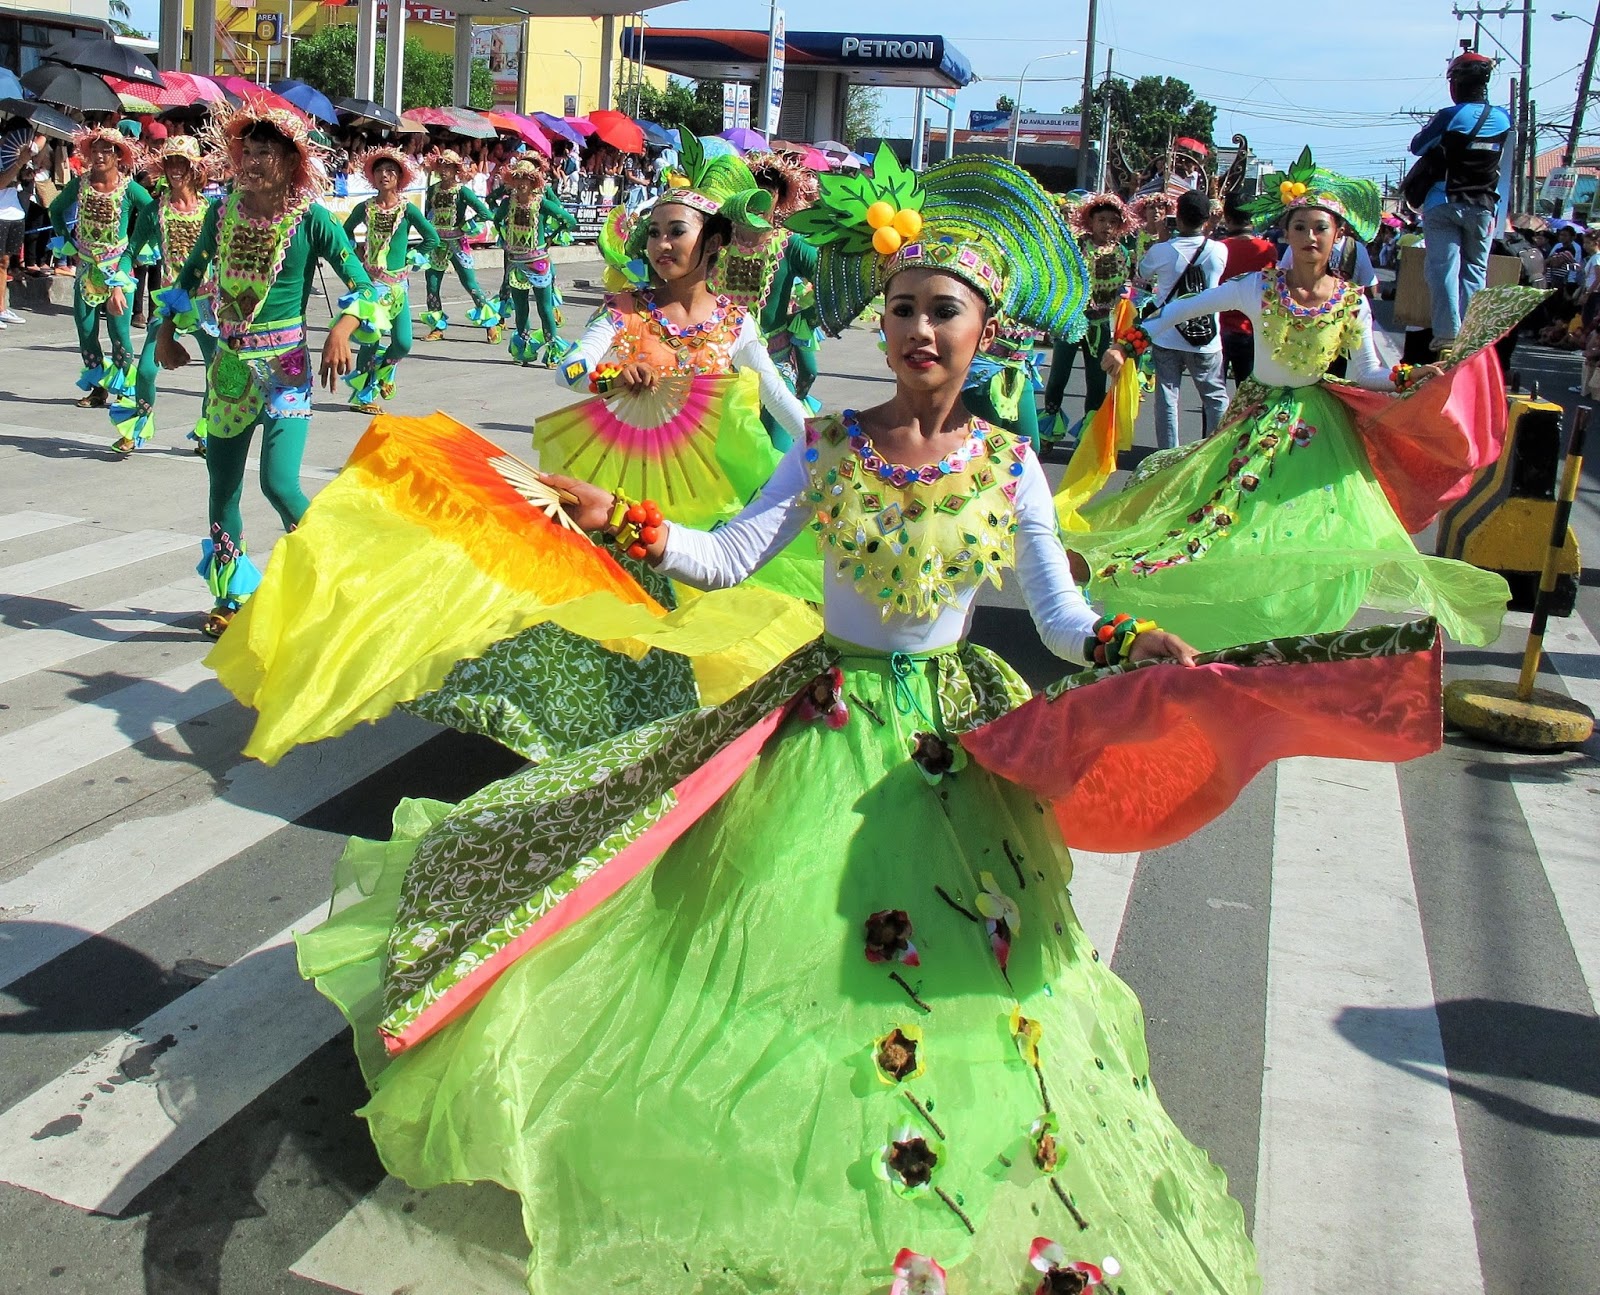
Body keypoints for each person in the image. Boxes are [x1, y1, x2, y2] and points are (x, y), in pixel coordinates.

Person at [250, 148, 1313, 1295]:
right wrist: (626, 521)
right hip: (819, 719)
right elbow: (729, 557)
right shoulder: (827, 444)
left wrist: (1125, 641)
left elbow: (1057, 616)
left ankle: (919, 1171)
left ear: (984, 332)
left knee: (959, 967)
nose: (918, 330)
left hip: (947, 747)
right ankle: (773, 1149)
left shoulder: (1010, 466)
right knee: (768, 945)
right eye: (902, 309)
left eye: (942, 312)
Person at [1081, 147, 1532, 652]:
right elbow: (1182, 308)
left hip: (1318, 429)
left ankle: (1287, 627)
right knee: (1224, 520)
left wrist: (1408, 377)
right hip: (1255, 420)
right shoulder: (1258, 287)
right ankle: (1220, 620)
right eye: (1300, 227)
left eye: (1321, 228)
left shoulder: (1351, 301)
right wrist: (1127, 346)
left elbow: (1367, 372)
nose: (1310, 237)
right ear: (1287, 233)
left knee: (1305, 532)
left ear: (1338, 236)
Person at [152, 105, 391, 638]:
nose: (254, 162)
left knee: (279, 483)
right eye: (250, 152)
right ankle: (230, 595)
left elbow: (366, 286)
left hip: (286, 370)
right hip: (228, 370)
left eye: (266, 153)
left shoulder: (311, 220)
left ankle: (332, 576)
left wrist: (342, 328)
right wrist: (166, 331)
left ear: (290, 162)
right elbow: (188, 277)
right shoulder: (221, 214)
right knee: (223, 488)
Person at [535, 135, 810, 530]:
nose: (661, 245)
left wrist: (830, 451)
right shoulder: (624, 309)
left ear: (713, 242)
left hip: (708, 493)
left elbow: (778, 397)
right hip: (630, 486)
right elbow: (569, 370)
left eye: (676, 232)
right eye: (653, 233)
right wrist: (612, 379)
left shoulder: (734, 323)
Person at [711, 149, 822, 448]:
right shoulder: (716, 239)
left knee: (782, 447)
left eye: (769, 190)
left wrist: (805, 319)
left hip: (774, 361)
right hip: (718, 360)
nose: (760, 196)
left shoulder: (791, 244)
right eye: (754, 187)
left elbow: (830, 283)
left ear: (779, 197)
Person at [1408, 49, 1512, 351]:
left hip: (1443, 201)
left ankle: (1447, 334)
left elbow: (1418, 146)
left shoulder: (1450, 116)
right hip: (1484, 206)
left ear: (1455, 83)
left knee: (1443, 268)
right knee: (1476, 270)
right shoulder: (1503, 117)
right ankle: (1472, 336)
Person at [122, 133, 217, 455]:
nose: (176, 168)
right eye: (171, 162)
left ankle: (207, 433)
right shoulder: (154, 210)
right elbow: (131, 250)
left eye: (182, 162)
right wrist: (119, 281)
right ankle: (138, 425)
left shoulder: (212, 210)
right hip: (169, 303)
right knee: (147, 370)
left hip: (206, 303)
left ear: (195, 168)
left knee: (215, 371)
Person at [47, 127, 151, 414]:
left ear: (118, 155)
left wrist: (139, 247)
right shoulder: (80, 184)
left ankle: (126, 390)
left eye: (107, 150)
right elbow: (55, 210)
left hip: (118, 270)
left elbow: (154, 212)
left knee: (119, 333)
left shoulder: (129, 189)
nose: (100, 156)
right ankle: (98, 387)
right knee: (86, 329)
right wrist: (66, 242)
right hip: (87, 270)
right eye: (95, 150)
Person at [343, 146, 440, 414]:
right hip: (371, 284)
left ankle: (384, 370)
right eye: (379, 171)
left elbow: (432, 238)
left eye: (390, 171)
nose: (384, 175)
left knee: (403, 342)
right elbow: (344, 233)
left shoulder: (408, 210)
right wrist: (356, 250)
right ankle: (362, 396)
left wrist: (412, 257)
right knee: (370, 339)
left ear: (399, 178)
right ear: (373, 177)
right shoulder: (365, 207)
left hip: (398, 286)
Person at [1040, 191, 1135, 442]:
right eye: (1101, 220)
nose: (1106, 226)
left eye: (1112, 221)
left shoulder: (1123, 253)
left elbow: (1129, 286)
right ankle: (1048, 429)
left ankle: (1088, 435)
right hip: (1072, 322)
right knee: (1058, 377)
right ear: (1091, 221)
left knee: (1096, 381)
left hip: (1100, 325)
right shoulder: (1076, 247)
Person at [1137, 187, 1228, 448]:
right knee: (1214, 396)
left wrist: (1162, 239)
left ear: (1177, 217)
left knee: (1167, 395)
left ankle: (1168, 453)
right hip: (1206, 336)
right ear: (1206, 219)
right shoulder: (1219, 250)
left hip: (1167, 333)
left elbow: (1142, 273)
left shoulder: (1162, 250)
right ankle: (1212, 451)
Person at [493, 153, 578, 368]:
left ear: (533, 181)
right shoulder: (508, 203)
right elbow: (496, 219)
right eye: (518, 178)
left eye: (526, 179)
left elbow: (569, 220)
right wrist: (505, 239)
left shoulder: (541, 202)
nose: (521, 183)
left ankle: (552, 350)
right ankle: (523, 350)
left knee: (544, 308)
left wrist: (551, 237)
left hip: (538, 262)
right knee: (521, 309)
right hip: (516, 263)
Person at [420, 149, 500, 343]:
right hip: (438, 243)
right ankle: (437, 327)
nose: (444, 170)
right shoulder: (433, 190)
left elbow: (485, 213)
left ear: (456, 169)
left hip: (457, 242)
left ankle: (490, 323)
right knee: (432, 285)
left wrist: (466, 225)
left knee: (470, 284)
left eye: (448, 166)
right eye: (441, 166)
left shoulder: (462, 191)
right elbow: (428, 213)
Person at [1215, 191, 1277, 385]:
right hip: (1252, 329)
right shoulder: (1268, 250)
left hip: (1219, 327)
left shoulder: (1217, 249)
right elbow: (1270, 292)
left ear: (1227, 218)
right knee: (1248, 392)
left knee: (1214, 394)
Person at [0, 128, 41, 330]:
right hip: (0, 213)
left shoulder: (17, 156)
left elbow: (13, 182)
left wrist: (25, 173)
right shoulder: (6, 154)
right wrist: (19, 162)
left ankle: (1, 308)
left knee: (5, 262)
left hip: (14, 212)